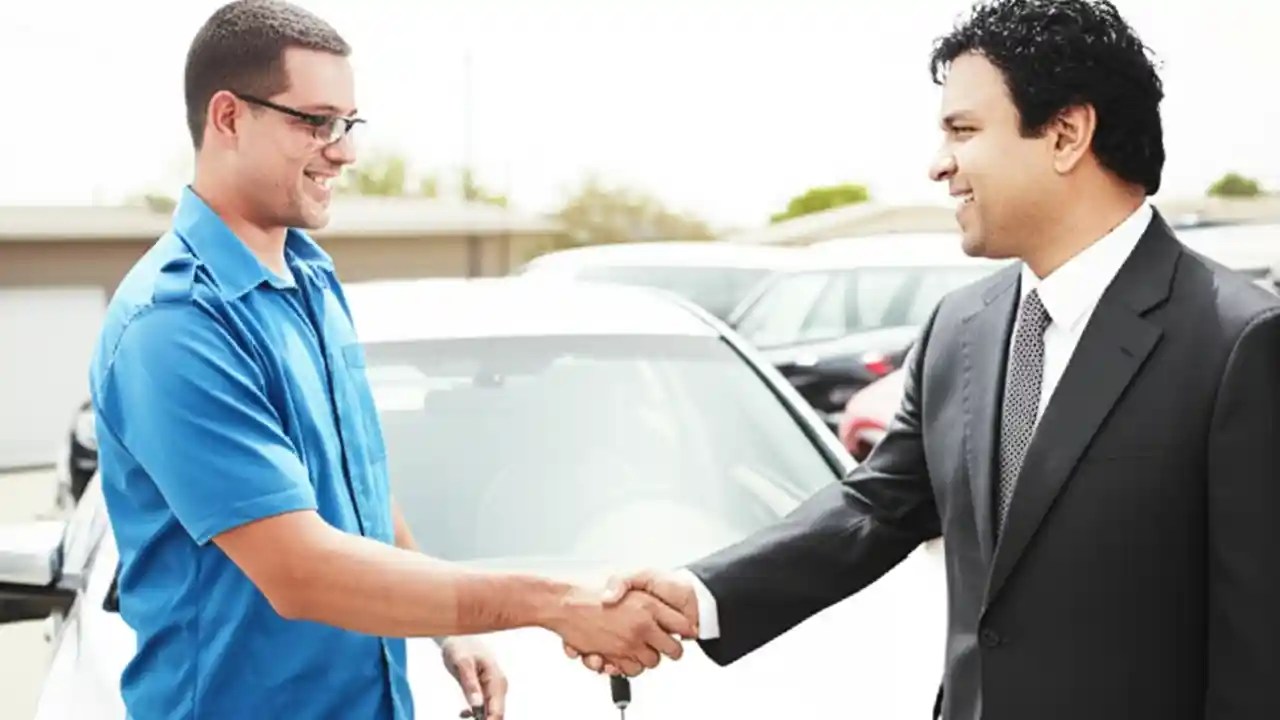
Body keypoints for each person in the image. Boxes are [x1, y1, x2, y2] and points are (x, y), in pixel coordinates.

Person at [570, 1, 1280, 718]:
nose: (940, 165)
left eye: (963, 130)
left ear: (1066, 134)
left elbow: (1261, 652)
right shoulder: (961, 328)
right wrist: (699, 594)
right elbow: (876, 508)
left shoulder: (1236, 343)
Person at [88, 2, 692, 719]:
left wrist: (446, 630)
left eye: (347, 124)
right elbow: (300, 570)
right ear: (228, 118)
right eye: (314, 122)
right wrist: (556, 603)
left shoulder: (309, 278)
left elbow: (360, 491)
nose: (342, 150)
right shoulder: (176, 322)